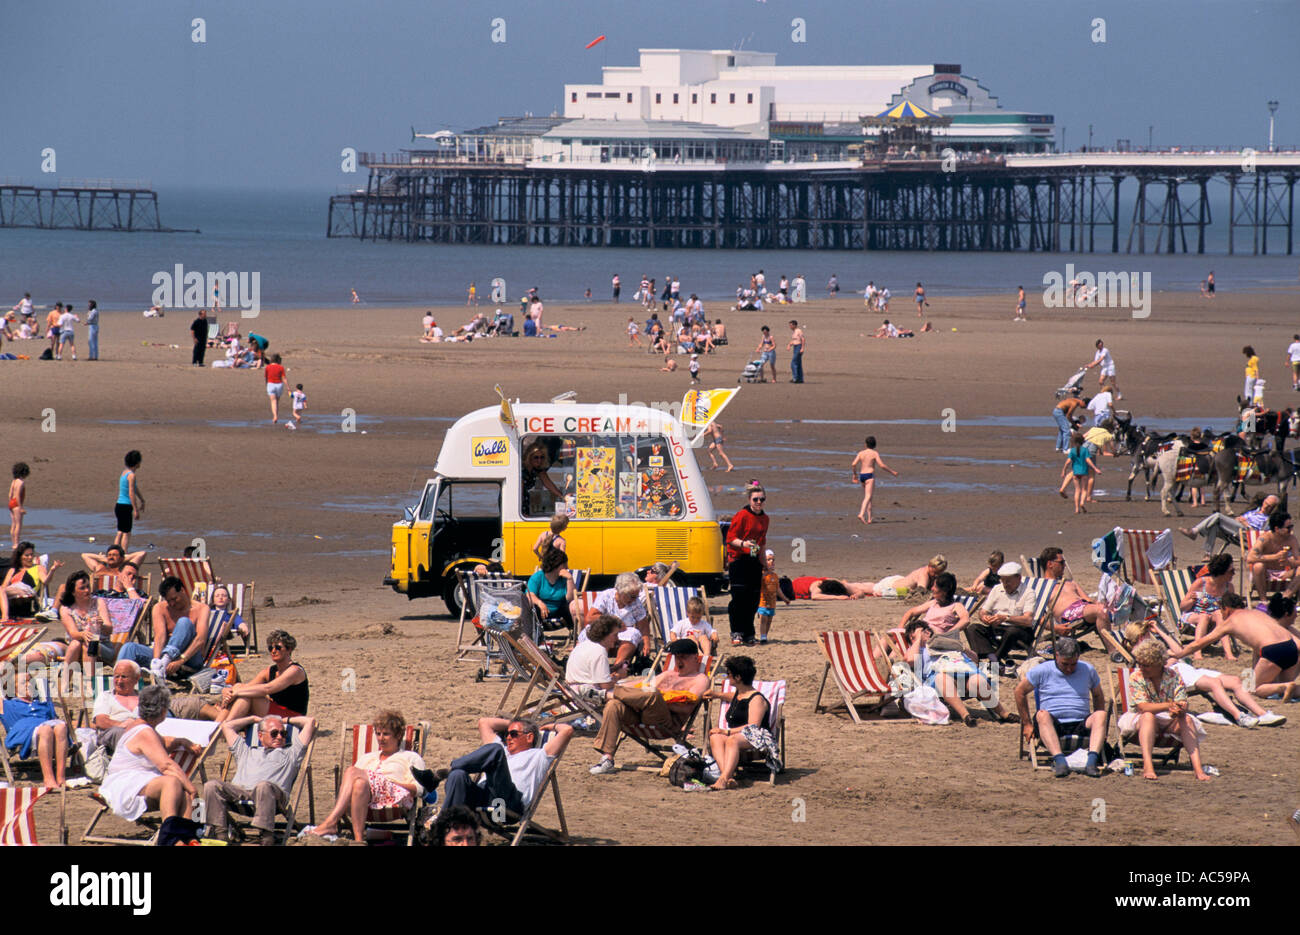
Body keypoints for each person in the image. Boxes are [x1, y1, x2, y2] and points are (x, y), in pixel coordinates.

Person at [1121, 619, 1283, 728]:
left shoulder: (1153, 646)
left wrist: (1159, 631)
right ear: (1142, 636)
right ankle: (1239, 716)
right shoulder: (1139, 652)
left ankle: (1262, 714)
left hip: (1188, 670)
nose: (1152, 635)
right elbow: (1166, 663)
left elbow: (1179, 651)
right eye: (1149, 632)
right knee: (1214, 683)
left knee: (1234, 680)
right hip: (1175, 676)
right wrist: (1169, 658)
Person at [589, 640, 710, 775]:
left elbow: (686, 708)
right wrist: (618, 685)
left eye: (684, 657)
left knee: (652, 693)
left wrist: (662, 701)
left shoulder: (700, 679)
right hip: (641, 716)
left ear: (695, 657)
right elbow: (643, 685)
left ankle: (606, 695)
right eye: (677, 657)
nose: (679, 661)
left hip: (666, 723)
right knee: (614, 705)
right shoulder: (668, 674)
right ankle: (607, 759)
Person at [417, 717, 573, 819]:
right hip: (483, 797)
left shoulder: (540, 755)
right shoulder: (502, 750)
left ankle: (438, 776)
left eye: (513, 734)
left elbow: (567, 730)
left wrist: (546, 726)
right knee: (458, 775)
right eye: (507, 734)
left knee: (495, 751)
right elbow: (484, 722)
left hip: (504, 807)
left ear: (530, 737)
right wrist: (514, 724)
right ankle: (445, 829)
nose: (508, 738)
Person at [308, 710, 424, 841]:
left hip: (395, 796)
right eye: (378, 734)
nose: (381, 738)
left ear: (398, 735)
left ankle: (331, 821)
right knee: (359, 784)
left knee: (352, 771)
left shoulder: (410, 757)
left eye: (386, 734)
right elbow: (352, 783)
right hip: (368, 798)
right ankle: (358, 840)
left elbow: (420, 789)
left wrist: (393, 783)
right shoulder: (367, 757)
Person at [203, 714, 316, 844]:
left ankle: (266, 837)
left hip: (273, 797)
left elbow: (310, 722)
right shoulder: (245, 751)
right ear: (260, 735)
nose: (280, 737)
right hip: (241, 794)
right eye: (274, 733)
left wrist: (285, 720)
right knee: (211, 785)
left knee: (263, 786)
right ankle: (220, 836)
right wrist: (253, 719)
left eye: (283, 733)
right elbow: (227, 726)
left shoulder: (292, 753)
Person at [99, 685, 201, 824]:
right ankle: (169, 833)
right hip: (125, 786)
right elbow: (166, 766)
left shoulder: (139, 726)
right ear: (164, 711)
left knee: (186, 793)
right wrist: (192, 787)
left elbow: (161, 743)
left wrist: (180, 741)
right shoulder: (144, 732)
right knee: (172, 782)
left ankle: (190, 834)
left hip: (133, 781)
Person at [1175, 593, 1300, 701]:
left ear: (1227, 609)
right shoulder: (1256, 613)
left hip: (1274, 650)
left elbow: (1200, 643)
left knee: (1254, 689)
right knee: (1279, 690)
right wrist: (1251, 677)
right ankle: (1286, 687)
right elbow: (1257, 650)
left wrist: (1178, 654)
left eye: (1221, 610)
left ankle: (1285, 686)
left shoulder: (1230, 622)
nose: (1221, 614)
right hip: (1290, 646)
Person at [1013, 637, 1107, 777]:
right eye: (1065, 664)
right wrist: (1027, 724)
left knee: (1101, 715)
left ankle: (1091, 762)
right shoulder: (1042, 670)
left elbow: (1098, 696)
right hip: (1053, 725)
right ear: (1056, 655)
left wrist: (1099, 725)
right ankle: (1060, 761)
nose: (1069, 668)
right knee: (1042, 715)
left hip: (1081, 723)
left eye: (1073, 664)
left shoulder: (1087, 669)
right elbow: (1019, 692)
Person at [1123, 639, 1213, 781]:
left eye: (1146, 665)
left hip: (1167, 719)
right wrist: (1169, 705)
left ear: (1158, 664)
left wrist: (1180, 709)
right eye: (1140, 664)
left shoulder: (1173, 676)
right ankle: (1148, 765)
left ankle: (1198, 769)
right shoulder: (1137, 677)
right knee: (1148, 716)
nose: (1141, 668)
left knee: (1186, 719)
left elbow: (1182, 700)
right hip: (1139, 719)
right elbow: (1143, 706)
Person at [900, 620, 1018, 727]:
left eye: (927, 630)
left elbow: (975, 659)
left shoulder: (942, 644)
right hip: (938, 678)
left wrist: (960, 647)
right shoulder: (916, 650)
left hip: (963, 672)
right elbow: (909, 661)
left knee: (977, 679)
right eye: (922, 631)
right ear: (912, 636)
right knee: (943, 678)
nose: (926, 633)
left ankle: (1004, 713)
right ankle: (966, 716)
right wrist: (918, 640)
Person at [705, 656, 780, 789]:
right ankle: (728, 777)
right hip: (739, 735)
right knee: (715, 737)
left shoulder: (757, 699)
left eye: (729, 674)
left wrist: (725, 731)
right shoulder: (739, 694)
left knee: (731, 740)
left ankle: (722, 779)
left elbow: (753, 726)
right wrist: (717, 695)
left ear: (738, 677)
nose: (727, 677)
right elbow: (735, 697)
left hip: (758, 737)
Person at [1039, 547, 1126, 660]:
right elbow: (1038, 617)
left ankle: (1128, 643)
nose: (1064, 565)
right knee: (1100, 611)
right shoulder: (1042, 587)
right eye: (1061, 562)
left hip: (1084, 608)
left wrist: (1103, 604)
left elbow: (1088, 600)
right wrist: (1055, 628)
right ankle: (1113, 651)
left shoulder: (1070, 582)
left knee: (1120, 607)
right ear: (1050, 564)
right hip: (1069, 615)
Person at [118, 575, 211, 681]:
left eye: (174, 599)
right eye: (168, 601)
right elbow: (160, 636)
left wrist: (180, 660)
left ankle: (164, 661)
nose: (172, 603)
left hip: (190, 658)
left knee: (184, 622)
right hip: (162, 660)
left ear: (182, 590)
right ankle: (119, 681)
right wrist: (156, 660)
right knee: (129, 648)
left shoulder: (201, 609)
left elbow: (200, 640)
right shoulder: (160, 608)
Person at [968, 562, 1038, 676]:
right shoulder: (997, 589)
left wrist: (1006, 618)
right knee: (973, 628)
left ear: (1019, 578)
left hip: (1020, 632)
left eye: (1008, 580)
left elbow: (1028, 620)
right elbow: (983, 610)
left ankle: (993, 662)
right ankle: (995, 660)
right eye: (1003, 580)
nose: (1005, 583)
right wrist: (984, 617)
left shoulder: (1028, 593)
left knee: (1012, 631)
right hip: (997, 629)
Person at [222, 630, 309, 721]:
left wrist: (236, 692)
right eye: (270, 648)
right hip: (276, 711)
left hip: (293, 716)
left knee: (247, 695)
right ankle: (217, 727)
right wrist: (228, 691)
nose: (273, 651)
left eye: (278, 648)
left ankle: (226, 726)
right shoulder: (269, 671)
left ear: (289, 649)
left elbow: (268, 688)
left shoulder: (294, 670)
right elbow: (247, 686)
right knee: (239, 687)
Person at [724, 484, 769, 646]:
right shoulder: (742, 515)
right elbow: (730, 538)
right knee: (739, 599)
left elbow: (762, 543)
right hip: (738, 560)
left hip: (753, 560)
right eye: (755, 499)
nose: (759, 502)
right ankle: (736, 632)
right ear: (749, 500)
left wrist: (764, 565)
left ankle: (749, 633)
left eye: (761, 499)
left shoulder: (765, 518)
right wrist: (744, 544)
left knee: (753, 599)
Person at [1179, 492, 1277, 555]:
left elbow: (1259, 536)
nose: (1266, 506)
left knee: (1217, 515)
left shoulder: (1267, 519)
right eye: (1266, 503)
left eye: (1269, 506)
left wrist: (1246, 523)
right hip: (1236, 527)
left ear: (1273, 508)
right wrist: (1238, 519)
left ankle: (1194, 531)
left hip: (1244, 534)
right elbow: (1240, 518)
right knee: (1215, 526)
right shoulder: (1254, 511)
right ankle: (1207, 554)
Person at [1178, 553, 1236, 660]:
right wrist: (1192, 599)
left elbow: (1230, 610)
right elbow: (1182, 607)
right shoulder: (1201, 583)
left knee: (1219, 614)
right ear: (1222, 572)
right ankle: (1197, 652)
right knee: (1204, 616)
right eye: (1231, 571)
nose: (1234, 574)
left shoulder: (1229, 587)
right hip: (1194, 615)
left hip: (1214, 619)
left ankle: (1228, 653)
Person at [899, 572, 970, 651]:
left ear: (944, 591)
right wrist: (901, 626)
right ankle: (890, 660)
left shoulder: (956, 606)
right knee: (892, 637)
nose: (932, 589)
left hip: (932, 637)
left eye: (935, 586)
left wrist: (948, 633)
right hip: (920, 631)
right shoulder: (933, 603)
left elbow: (965, 620)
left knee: (902, 639)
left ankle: (899, 659)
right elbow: (911, 612)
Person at [91, 659, 142, 755]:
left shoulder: (144, 699)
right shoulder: (106, 696)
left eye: (124, 677)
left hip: (140, 734)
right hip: (111, 735)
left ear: (136, 679)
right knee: (119, 732)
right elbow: (101, 721)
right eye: (116, 676)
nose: (119, 681)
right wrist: (124, 726)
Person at [1, 541, 62, 620]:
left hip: (27, 590)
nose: (30, 557)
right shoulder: (13, 570)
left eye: (31, 555)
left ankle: (5, 617)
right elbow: (4, 586)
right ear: (20, 556)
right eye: (27, 555)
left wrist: (52, 570)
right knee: (1, 589)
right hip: (12, 590)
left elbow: (45, 581)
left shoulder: (38, 568)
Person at [1245, 511, 1300, 599]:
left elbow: (1298, 559)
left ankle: (1285, 598)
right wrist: (1275, 557)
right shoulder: (1265, 538)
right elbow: (1250, 558)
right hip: (1266, 573)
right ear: (1277, 529)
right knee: (1258, 566)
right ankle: (1263, 600)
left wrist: (1289, 562)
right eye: (1288, 528)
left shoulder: (1291, 539)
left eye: (1291, 526)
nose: (1291, 530)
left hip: (1284, 573)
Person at [566, 614, 624, 697]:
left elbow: (589, 672)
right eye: (615, 635)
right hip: (586, 695)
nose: (617, 638)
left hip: (573, 693)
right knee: (626, 691)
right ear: (605, 634)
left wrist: (614, 669)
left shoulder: (583, 645)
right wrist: (619, 675)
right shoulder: (599, 651)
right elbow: (605, 686)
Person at [850, 436, 898, 524]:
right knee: (867, 496)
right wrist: (892, 472)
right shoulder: (874, 453)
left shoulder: (861, 453)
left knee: (869, 498)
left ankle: (869, 518)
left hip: (862, 476)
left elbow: (853, 464)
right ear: (874, 445)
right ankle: (861, 513)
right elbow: (882, 465)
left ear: (865, 444)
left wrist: (854, 475)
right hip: (869, 476)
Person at [526, 548, 576, 631]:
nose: (567, 567)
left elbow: (570, 599)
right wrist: (540, 603)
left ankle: (574, 635)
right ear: (556, 565)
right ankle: (536, 635)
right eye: (564, 564)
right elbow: (529, 595)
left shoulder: (564, 579)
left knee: (572, 606)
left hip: (559, 612)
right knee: (533, 608)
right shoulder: (538, 577)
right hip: (541, 613)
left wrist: (570, 579)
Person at [861, 555, 949, 599]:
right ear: (930, 566)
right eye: (935, 572)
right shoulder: (923, 575)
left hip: (900, 581)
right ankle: (847, 585)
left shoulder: (934, 573)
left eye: (940, 573)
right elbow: (920, 593)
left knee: (872, 586)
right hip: (891, 587)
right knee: (869, 589)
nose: (937, 575)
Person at [756, 550, 790, 644]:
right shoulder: (762, 575)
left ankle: (765, 635)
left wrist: (785, 599)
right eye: (768, 560)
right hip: (762, 602)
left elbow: (778, 589)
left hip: (772, 603)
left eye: (773, 560)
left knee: (769, 620)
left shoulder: (775, 576)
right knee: (763, 619)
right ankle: (763, 637)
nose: (771, 562)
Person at [113, 450, 145, 552]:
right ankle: (123, 553)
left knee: (120, 531)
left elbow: (135, 489)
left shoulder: (124, 473)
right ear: (136, 463)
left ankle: (114, 552)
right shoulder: (131, 475)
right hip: (126, 506)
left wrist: (142, 499)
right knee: (126, 532)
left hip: (119, 505)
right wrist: (135, 509)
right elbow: (131, 492)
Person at [1060, 431, 1099, 514]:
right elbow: (1088, 460)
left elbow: (1068, 462)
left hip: (1075, 473)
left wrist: (1064, 470)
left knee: (1077, 490)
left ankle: (1077, 509)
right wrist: (1095, 468)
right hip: (1084, 472)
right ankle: (1082, 503)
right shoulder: (1085, 450)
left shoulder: (1073, 451)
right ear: (1083, 441)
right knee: (1084, 490)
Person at [521, 441, 564, 514]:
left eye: (542, 457)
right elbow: (518, 492)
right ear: (529, 457)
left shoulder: (536, 469)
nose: (539, 460)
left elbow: (547, 483)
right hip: (518, 500)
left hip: (524, 500)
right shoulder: (521, 470)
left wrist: (562, 496)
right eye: (536, 457)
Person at [8, 462, 28, 550]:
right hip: (16, 503)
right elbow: (17, 495)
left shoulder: (14, 481)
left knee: (13, 523)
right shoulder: (20, 482)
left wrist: (10, 503)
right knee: (18, 524)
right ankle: (16, 543)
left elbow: (10, 494)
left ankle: (13, 542)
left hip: (11, 503)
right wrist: (20, 507)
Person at [264, 353, 287, 424]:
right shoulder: (281, 367)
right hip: (279, 384)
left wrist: (266, 384)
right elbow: (284, 378)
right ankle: (276, 416)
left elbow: (266, 377)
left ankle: (275, 416)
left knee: (273, 401)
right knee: (277, 401)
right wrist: (288, 388)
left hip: (270, 384)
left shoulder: (267, 367)